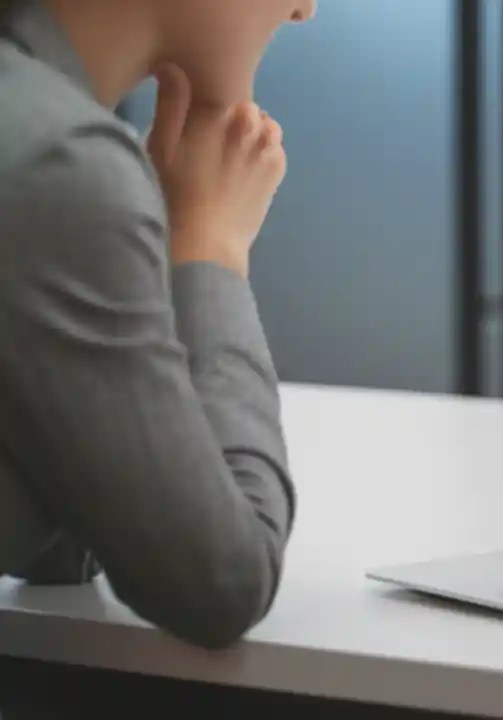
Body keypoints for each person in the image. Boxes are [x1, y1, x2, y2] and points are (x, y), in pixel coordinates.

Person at [0, 0, 316, 650]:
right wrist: (210, 248)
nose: (303, 8)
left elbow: (62, 551)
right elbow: (221, 581)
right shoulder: (57, 162)